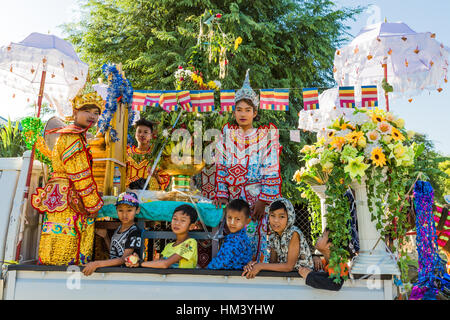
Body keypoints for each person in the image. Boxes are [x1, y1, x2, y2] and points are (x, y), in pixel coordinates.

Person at [213, 69, 282, 263]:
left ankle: (257, 272)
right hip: (234, 200)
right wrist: (221, 193)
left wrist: (263, 200)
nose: (243, 114)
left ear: (255, 113)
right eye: (239, 110)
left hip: (256, 197)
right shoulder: (226, 135)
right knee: (232, 235)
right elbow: (221, 166)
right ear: (234, 112)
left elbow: (271, 169)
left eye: (247, 110)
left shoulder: (265, 137)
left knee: (257, 236)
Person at [31, 92, 105, 265]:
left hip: (62, 195)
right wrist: (93, 203)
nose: (92, 116)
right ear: (75, 111)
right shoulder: (72, 137)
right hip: (69, 197)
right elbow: (80, 175)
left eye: (96, 112)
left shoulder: (71, 136)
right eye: (87, 110)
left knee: (57, 239)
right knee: (68, 245)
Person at [242, 198, 315, 278]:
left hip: (304, 277)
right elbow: (273, 263)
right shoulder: (273, 235)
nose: (276, 220)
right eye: (272, 215)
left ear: (289, 217)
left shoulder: (294, 233)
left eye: (282, 217)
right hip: (287, 278)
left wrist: (260, 266)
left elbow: (289, 266)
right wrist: (253, 266)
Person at [82, 192, 142, 276]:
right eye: (120, 210)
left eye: (129, 210)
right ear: (116, 210)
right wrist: (105, 237)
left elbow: (124, 259)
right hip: (115, 272)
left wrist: (97, 264)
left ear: (137, 210)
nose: (124, 215)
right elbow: (113, 252)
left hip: (126, 275)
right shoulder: (118, 229)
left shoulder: (134, 232)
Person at [126, 204, 198, 269]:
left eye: (183, 220)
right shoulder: (169, 246)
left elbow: (165, 264)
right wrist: (137, 261)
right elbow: (159, 263)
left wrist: (140, 264)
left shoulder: (190, 243)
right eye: (175, 219)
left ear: (191, 226)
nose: (177, 223)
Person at [207, 199, 253, 270]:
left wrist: (207, 270)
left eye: (237, 219)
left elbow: (221, 263)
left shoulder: (235, 240)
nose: (232, 222)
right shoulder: (242, 237)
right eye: (229, 218)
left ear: (247, 221)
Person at [126, 118, 170, 191]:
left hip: (150, 196)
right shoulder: (127, 153)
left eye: (146, 132)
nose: (142, 135)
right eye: (139, 132)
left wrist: (155, 175)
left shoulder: (157, 155)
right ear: (135, 134)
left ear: (151, 135)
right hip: (128, 194)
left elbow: (164, 179)